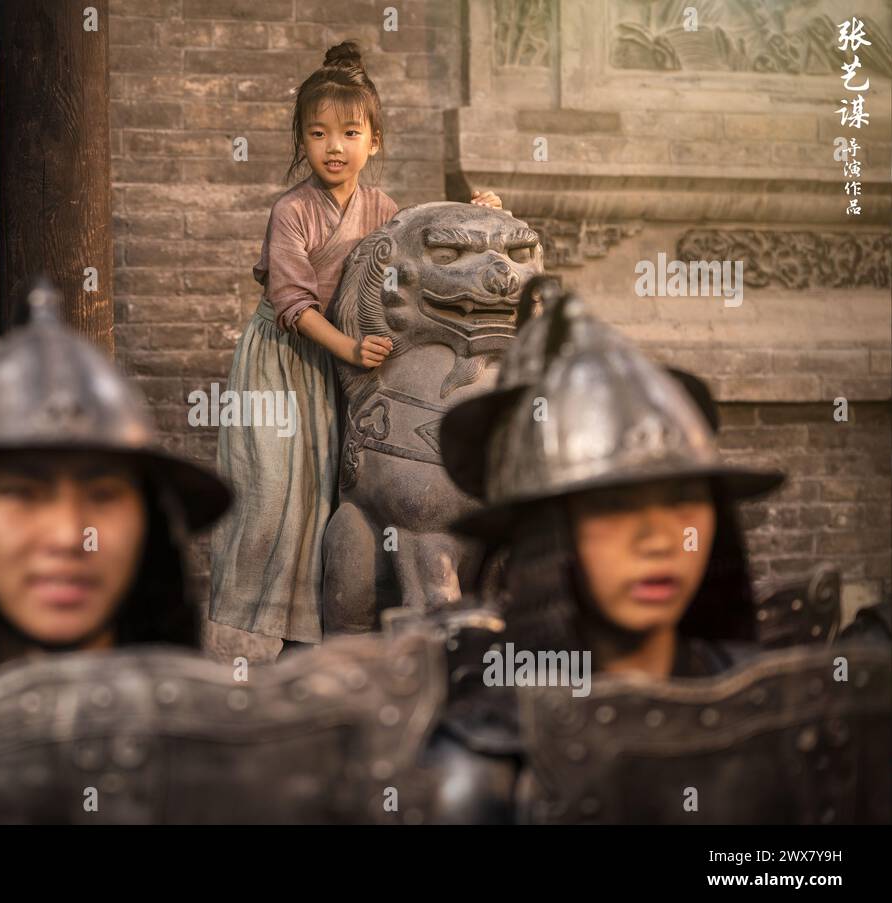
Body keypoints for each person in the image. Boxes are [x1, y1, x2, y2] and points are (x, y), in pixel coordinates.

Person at [423, 291, 788, 821]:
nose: (661, 540)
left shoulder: (774, 709)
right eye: (613, 507)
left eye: (684, 499)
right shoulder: (480, 756)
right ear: (546, 535)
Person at [209, 40, 503, 649]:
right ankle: (252, 633)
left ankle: (308, 636)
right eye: (318, 134)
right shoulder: (291, 212)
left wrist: (477, 214)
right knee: (272, 498)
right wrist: (347, 348)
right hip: (287, 362)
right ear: (301, 141)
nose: (334, 147)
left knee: (322, 498)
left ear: (374, 142)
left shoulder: (382, 208)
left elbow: (424, 244)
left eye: (349, 133)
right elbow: (293, 306)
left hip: (348, 369)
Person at [0, 281, 231, 668]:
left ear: (151, 520)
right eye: (21, 494)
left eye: (104, 495)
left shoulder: (222, 724)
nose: (68, 537)